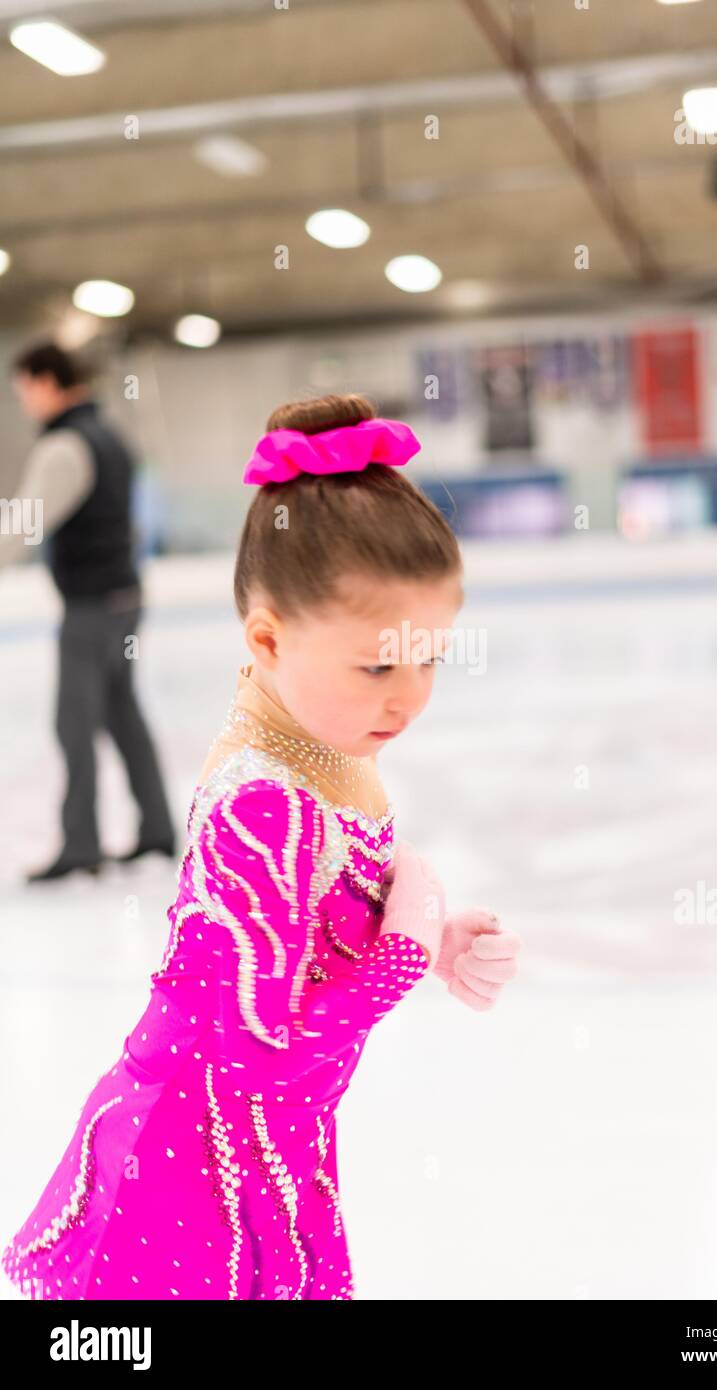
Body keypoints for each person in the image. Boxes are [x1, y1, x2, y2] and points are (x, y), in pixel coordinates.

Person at [0, 391, 521, 1301]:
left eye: (430, 657)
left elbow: (323, 905)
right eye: (378, 665)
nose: (411, 698)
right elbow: (252, 1056)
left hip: (253, 1160)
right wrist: (400, 950)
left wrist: (424, 929)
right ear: (267, 639)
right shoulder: (260, 805)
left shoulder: (318, 742)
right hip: (183, 1181)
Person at [0, 341, 176, 881]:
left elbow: (23, 525)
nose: (23, 400)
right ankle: (157, 830)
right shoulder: (110, 436)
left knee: (74, 723)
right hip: (123, 598)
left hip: (92, 607)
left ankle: (81, 846)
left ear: (44, 381)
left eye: (23, 389)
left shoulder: (65, 446)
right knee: (122, 715)